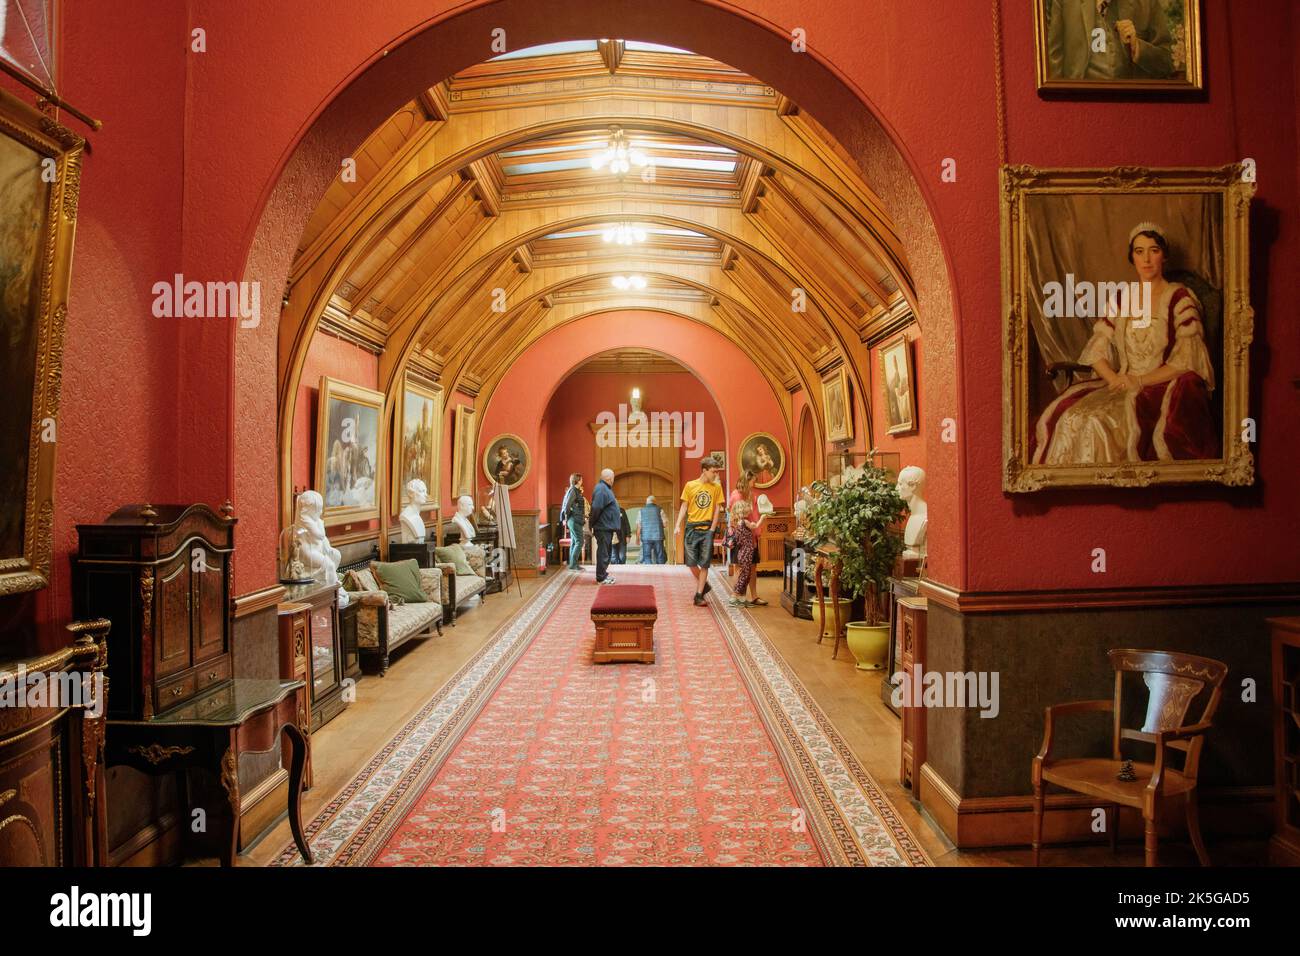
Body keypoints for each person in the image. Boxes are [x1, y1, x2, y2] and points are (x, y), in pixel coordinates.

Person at [1032, 223, 1219, 465]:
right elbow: (1097, 349)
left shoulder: (1179, 298)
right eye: (1139, 251)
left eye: (1154, 250)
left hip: (1158, 387)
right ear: (1131, 257)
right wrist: (1114, 379)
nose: (1147, 259)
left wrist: (1139, 381)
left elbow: (1187, 360)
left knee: (1097, 423)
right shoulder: (1122, 298)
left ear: (1165, 256)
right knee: (1072, 417)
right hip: (1120, 384)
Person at [1045, 0, 1175, 82]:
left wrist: (1137, 47)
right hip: (1081, 100)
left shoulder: (1146, 4)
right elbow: (1054, 57)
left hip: (1130, 104)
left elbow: (1166, 63)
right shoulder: (1065, 3)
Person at [675, 456, 723, 607]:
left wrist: (713, 529)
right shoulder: (690, 485)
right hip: (691, 528)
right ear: (704, 470)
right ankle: (705, 585)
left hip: (707, 529)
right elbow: (684, 506)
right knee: (691, 563)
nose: (715, 475)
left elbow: (717, 509)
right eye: (713, 472)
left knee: (705, 564)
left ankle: (698, 594)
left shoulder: (716, 487)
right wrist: (677, 525)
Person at [727, 471, 767, 605]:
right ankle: (736, 595)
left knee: (753, 567)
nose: (754, 484)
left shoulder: (752, 495)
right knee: (739, 567)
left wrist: (756, 533)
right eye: (753, 481)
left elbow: (755, 515)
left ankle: (754, 596)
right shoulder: (735, 495)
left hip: (752, 537)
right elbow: (732, 516)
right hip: (740, 537)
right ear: (746, 480)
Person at [728, 499, 762, 608]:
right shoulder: (744, 522)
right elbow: (755, 526)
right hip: (746, 551)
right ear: (742, 510)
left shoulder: (737, 523)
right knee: (745, 575)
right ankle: (734, 596)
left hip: (743, 552)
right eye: (747, 508)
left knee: (746, 574)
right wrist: (763, 518)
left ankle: (742, 599)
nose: (749, 510)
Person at [589, 467, 620, 584]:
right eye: (613, 478)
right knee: (603, 552)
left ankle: (603, 574)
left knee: (606, 552)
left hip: (606, 527)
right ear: (610, 478)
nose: (613, 480)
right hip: (602, 527)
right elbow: (596, 508)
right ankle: (601, 577)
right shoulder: (602, 489)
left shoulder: (604, 488)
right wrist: (592, 524)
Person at [560, 473, 586, 571]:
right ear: (577, 480)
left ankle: (573, 564)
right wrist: (568, 517)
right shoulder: (573, 491)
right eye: (581, 479)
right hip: (574, 520)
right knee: (580, 541)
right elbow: (567, 506)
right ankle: (573, 565)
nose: (582, 481)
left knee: (575, 542)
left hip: (574, 519)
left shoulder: (574, 490)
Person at [638, 494, 665, 564]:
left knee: (647, 556)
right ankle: (661, 571)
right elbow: (665, 523)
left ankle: (649, 572)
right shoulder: (660, 510)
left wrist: (637, 537)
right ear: (654, 501)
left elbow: (639, 525)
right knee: (660, 556)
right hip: (658, 536)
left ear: (647, 502)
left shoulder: (641, 511)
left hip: (646, 537)